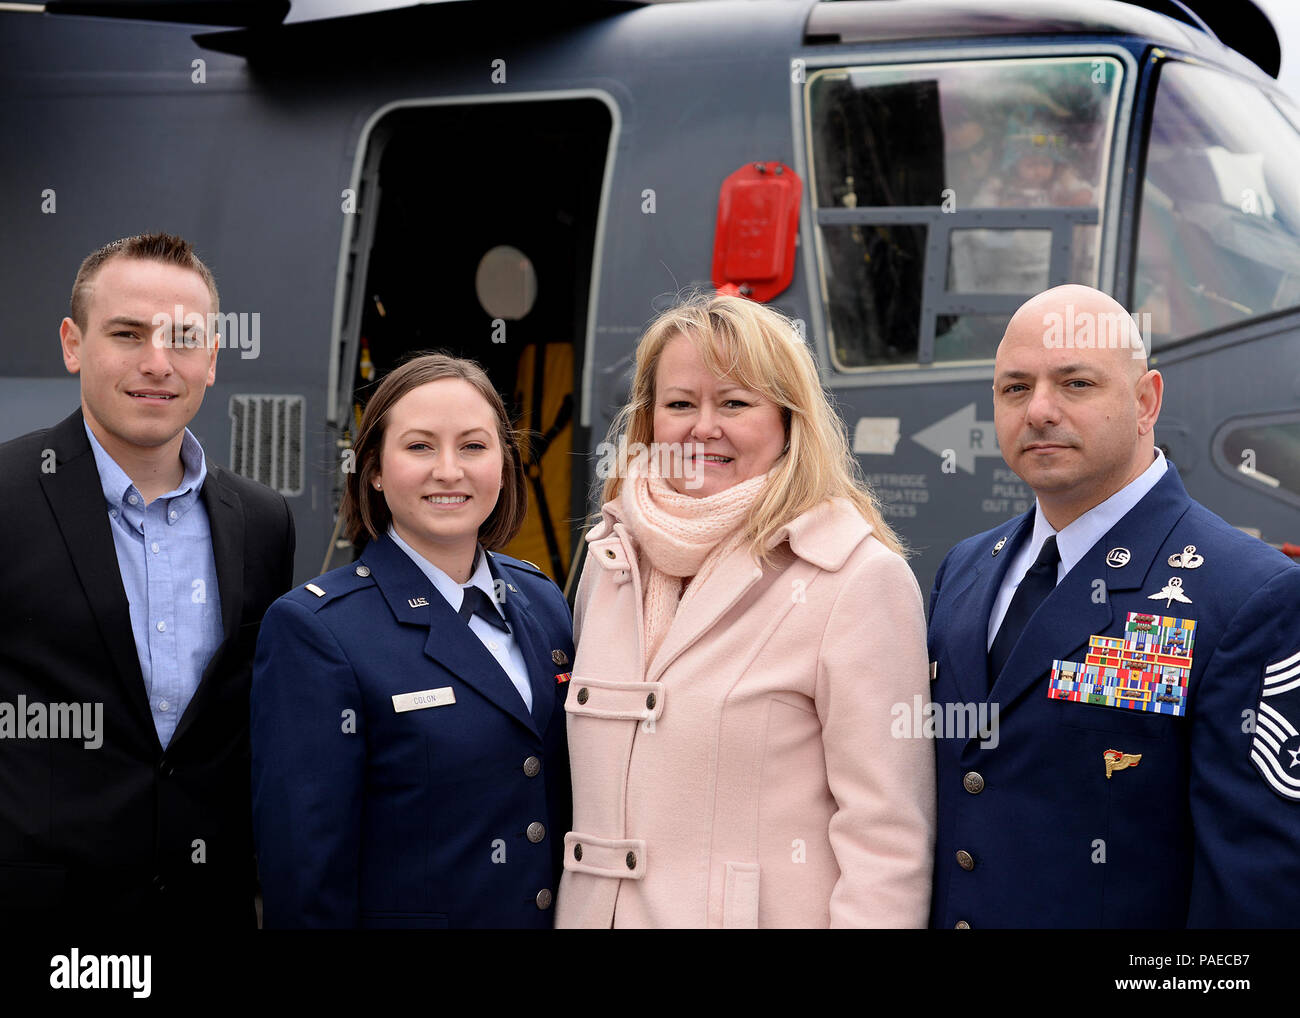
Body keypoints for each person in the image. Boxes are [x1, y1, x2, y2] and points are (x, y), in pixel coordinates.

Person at [926, 284, 1300, 928]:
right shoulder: (963, 570)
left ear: (1146, 401)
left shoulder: (1248, 594)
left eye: (1075, 384)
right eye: (1015, 388)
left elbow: (1258, 887)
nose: (1040, 410)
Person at [556, 293, 934, 928]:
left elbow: (886, 841)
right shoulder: (610, 558)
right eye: (680, 404)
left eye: (735, 402)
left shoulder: (857, 578)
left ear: (788, 419)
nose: (705, 427)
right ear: (649, 422)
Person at [0, 232, 295, 925]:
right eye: (128, 334)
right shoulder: (7, 497)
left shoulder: (262, 523)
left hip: (207, 908)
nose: (157, 363)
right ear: (74, 345)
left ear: (213, 359)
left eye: (184, 338)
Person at [251, 353, 572, 928]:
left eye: (474, 446)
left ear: (504, 464)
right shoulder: (317, 630)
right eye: (420, 446)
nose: (449, 470)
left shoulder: (542, 601)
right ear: (373, 468)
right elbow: (306, 871)